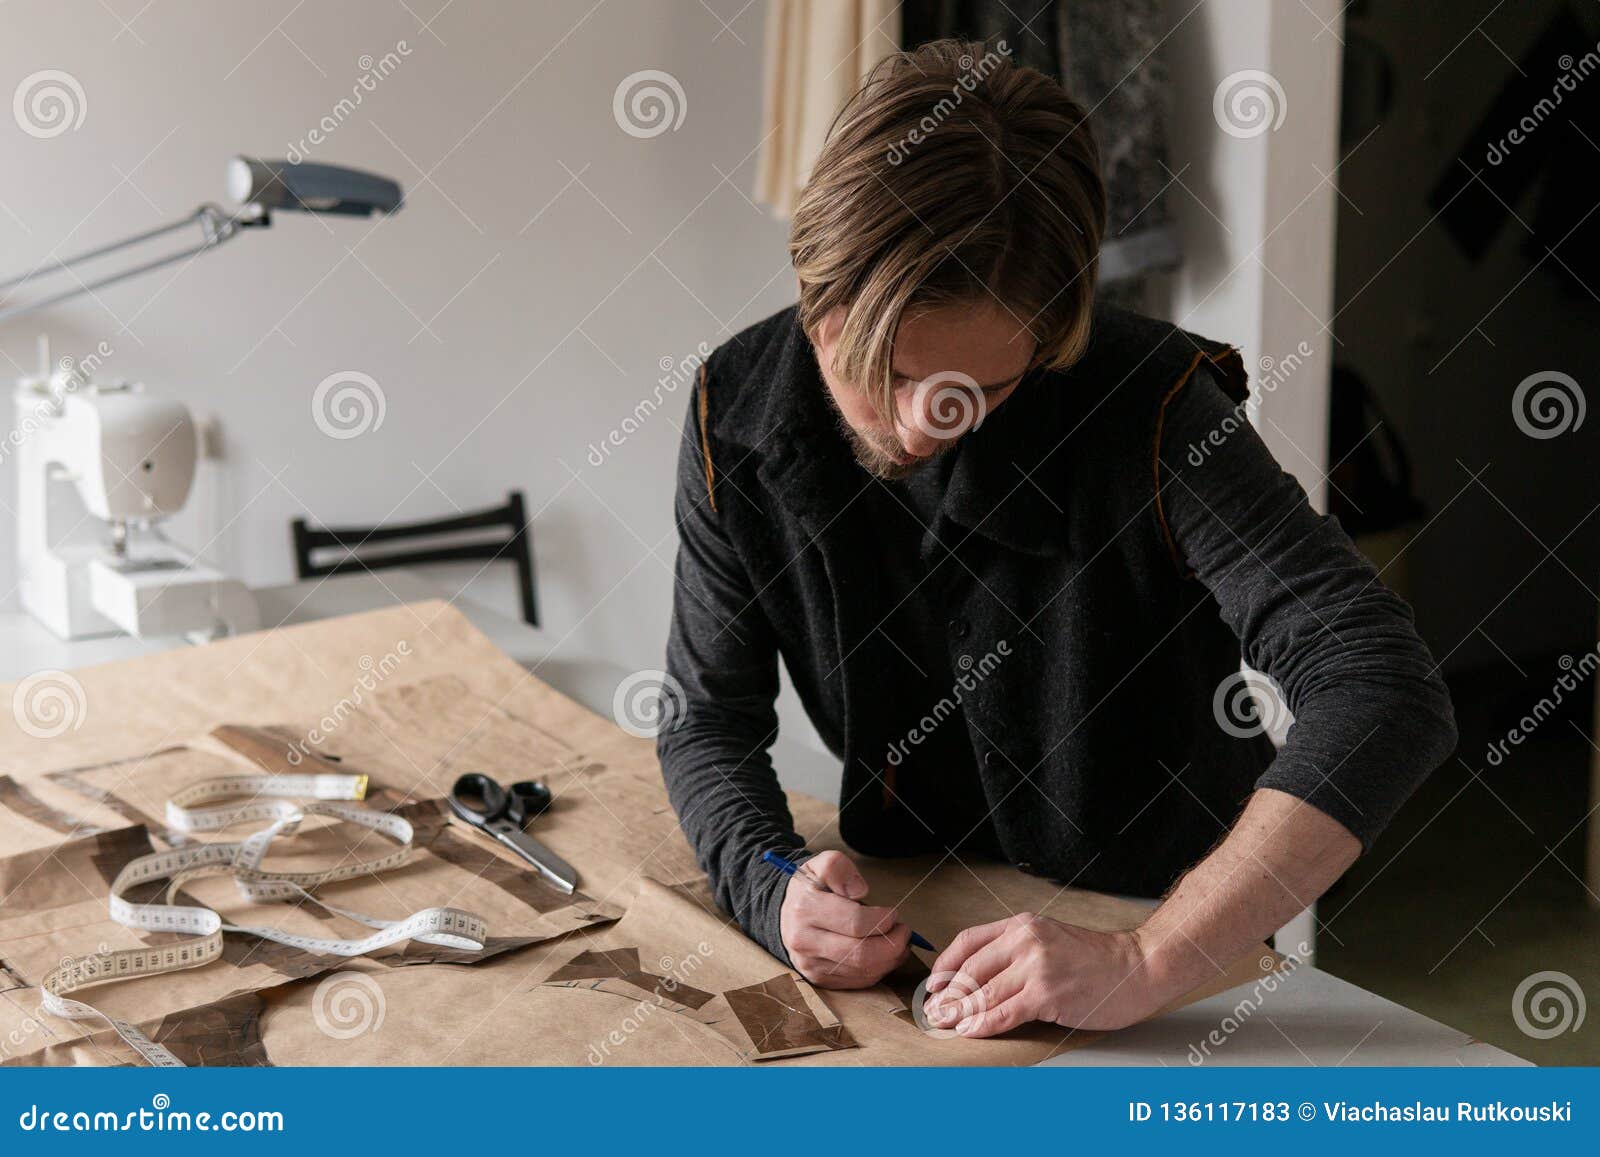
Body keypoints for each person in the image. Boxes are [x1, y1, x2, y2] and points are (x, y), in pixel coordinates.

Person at [657, 40, 1455, 1038]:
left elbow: (1382, 685)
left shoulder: (1155, 410)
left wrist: (1146, 958)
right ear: (816, 300)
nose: (917, 428)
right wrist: (769, 883)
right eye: (887, 371)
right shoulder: (731, 409)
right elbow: (707, 719)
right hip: (910, 903)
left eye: (977, 391)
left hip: (1167, 928)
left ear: (1048, 336)